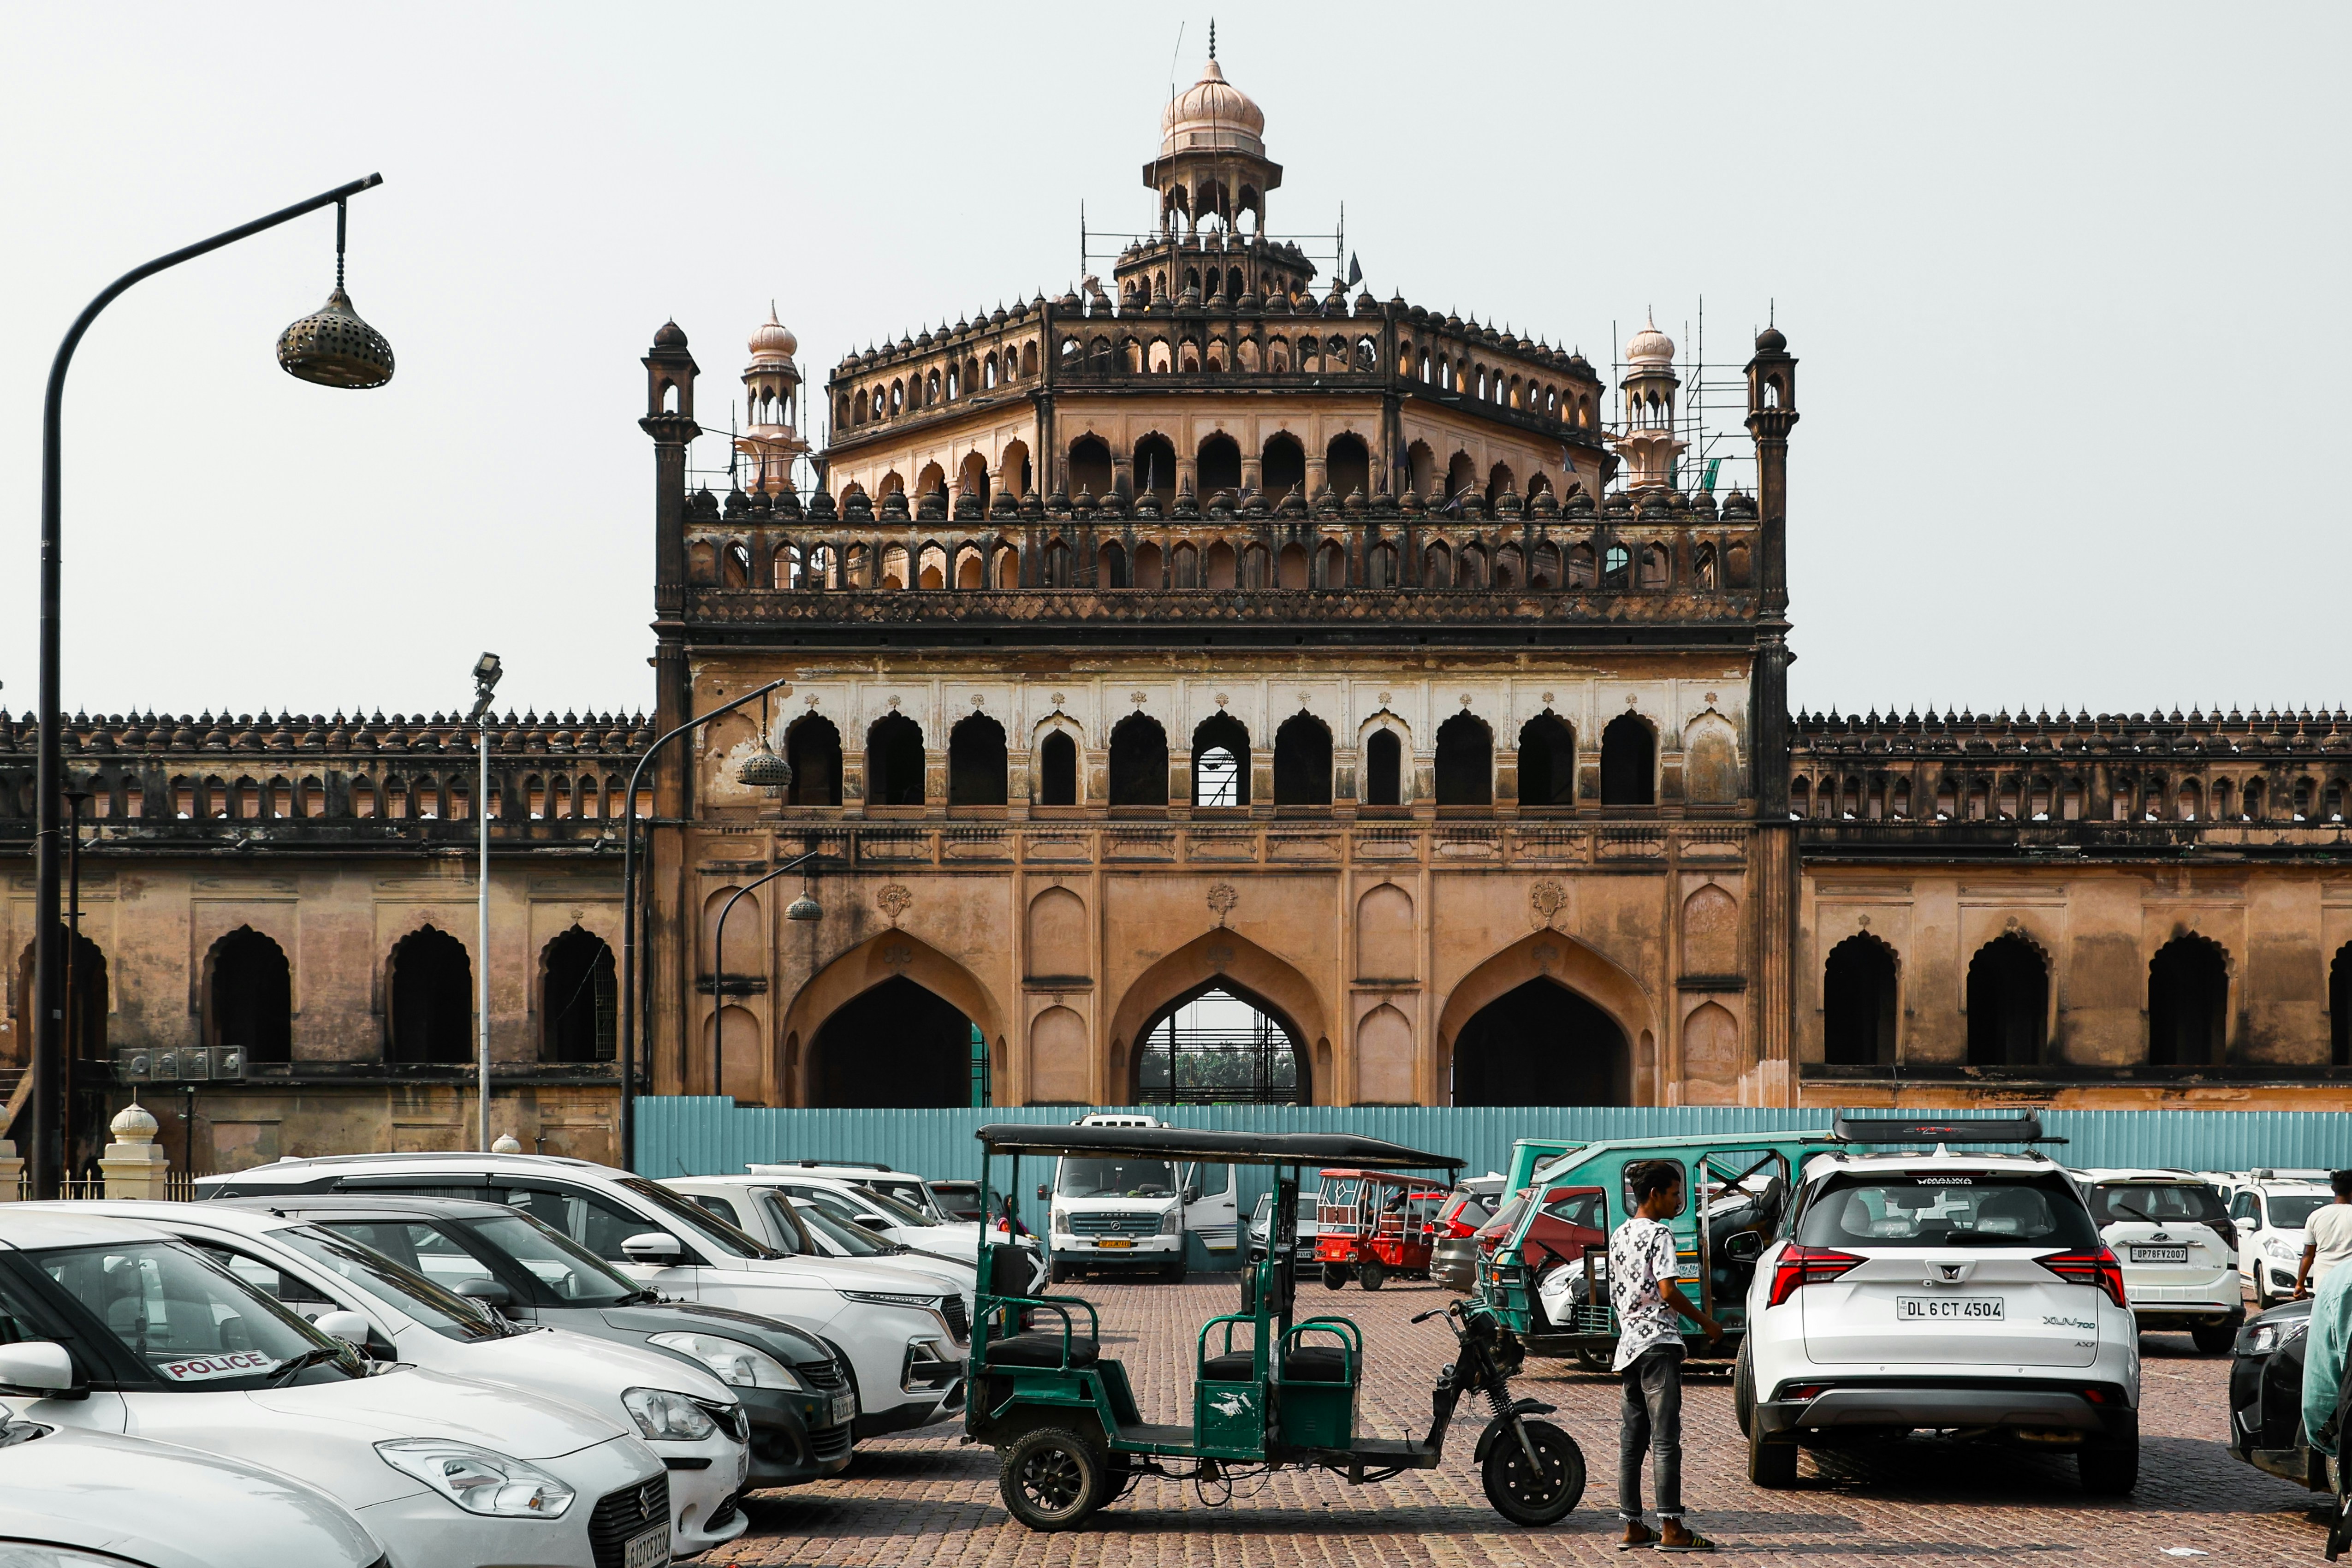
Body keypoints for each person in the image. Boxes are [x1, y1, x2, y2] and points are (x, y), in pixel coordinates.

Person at [1611, 1160, 1723, 1552]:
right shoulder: (1660, 1234)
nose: (1679, 1202)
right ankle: (1672, 1529)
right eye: (1675, 1194)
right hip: (1659, 1345)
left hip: (1629, 1347)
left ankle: (1633, 1526)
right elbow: (1668, 1290)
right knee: (1665, 1441)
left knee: (1632, 1442)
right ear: (1655, 1194)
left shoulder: (1619, 1235)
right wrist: (1707, 1323)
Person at [2294, 1170, 2352, 1299]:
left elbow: (2308, 1254)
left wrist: (2300, 1283)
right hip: (2349, 1282)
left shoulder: (2316, 1216)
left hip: (2323, 1284)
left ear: (2333, 1188)